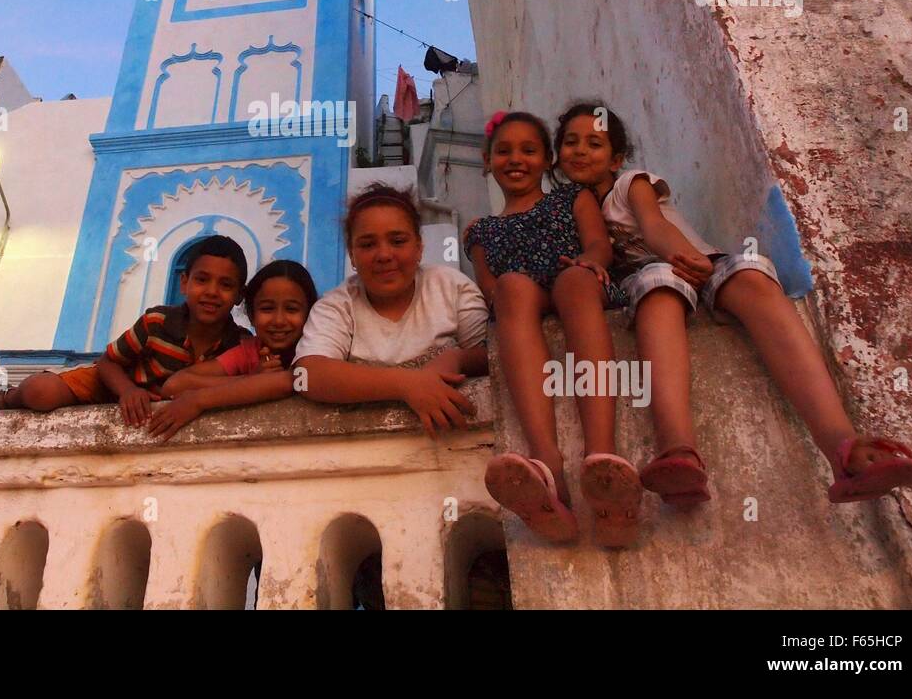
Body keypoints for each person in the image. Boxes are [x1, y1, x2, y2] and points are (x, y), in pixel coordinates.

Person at [554, 101, 912, 506]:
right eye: (570, 142)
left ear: (616, 159)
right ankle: (679, 452)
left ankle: (844, 447)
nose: (579, 150)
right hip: (652, 281)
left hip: (695, 260)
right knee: (656, 285)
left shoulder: (630, 184)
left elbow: (653, 224)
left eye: (594, 143)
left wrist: (684, 256)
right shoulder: (569, 210)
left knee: (751, 271)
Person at [466, 110, 640, 548]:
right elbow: (490, 290)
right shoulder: (481, 231)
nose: (515, 159)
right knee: (512, 287)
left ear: (547, 160)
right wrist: (503, 292)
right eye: (503, 151)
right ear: (487, 161)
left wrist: (592, 262)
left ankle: (602, 457)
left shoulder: (572, 198)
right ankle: (547, 464)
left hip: (576, 281)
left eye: (529, 150)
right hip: (526, 297)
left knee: (575, 281)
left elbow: (598, 243)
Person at [0, 235, 249, 424]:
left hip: (157, 403)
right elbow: (109, 362)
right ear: (184, 283)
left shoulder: (240, 345)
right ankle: (4, 397)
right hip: (115, 383)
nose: (212, 292)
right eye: (202, 280)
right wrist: (128, 392)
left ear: (239, 295)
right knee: (40, 392)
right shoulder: (158, 322)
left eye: (225, 285)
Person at [292, 182, 489, 437]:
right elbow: (307, 375)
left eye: (397, 241)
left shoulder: (451, 287)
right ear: (351, 254)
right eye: (367, 244)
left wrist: (457, 358)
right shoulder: (337, 306)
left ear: (419, 247)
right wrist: (406, 384)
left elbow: (492, 355)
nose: (384, 255)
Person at [147, 259, 318, 441]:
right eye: (267, 309)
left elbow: (297, 381)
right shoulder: (248, 352)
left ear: (310, 314)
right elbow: (174, 385)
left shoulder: (315, 349)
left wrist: (200, 400)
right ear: (251, 316)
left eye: (292, 309)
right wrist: (251, 379)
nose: (278, 320)